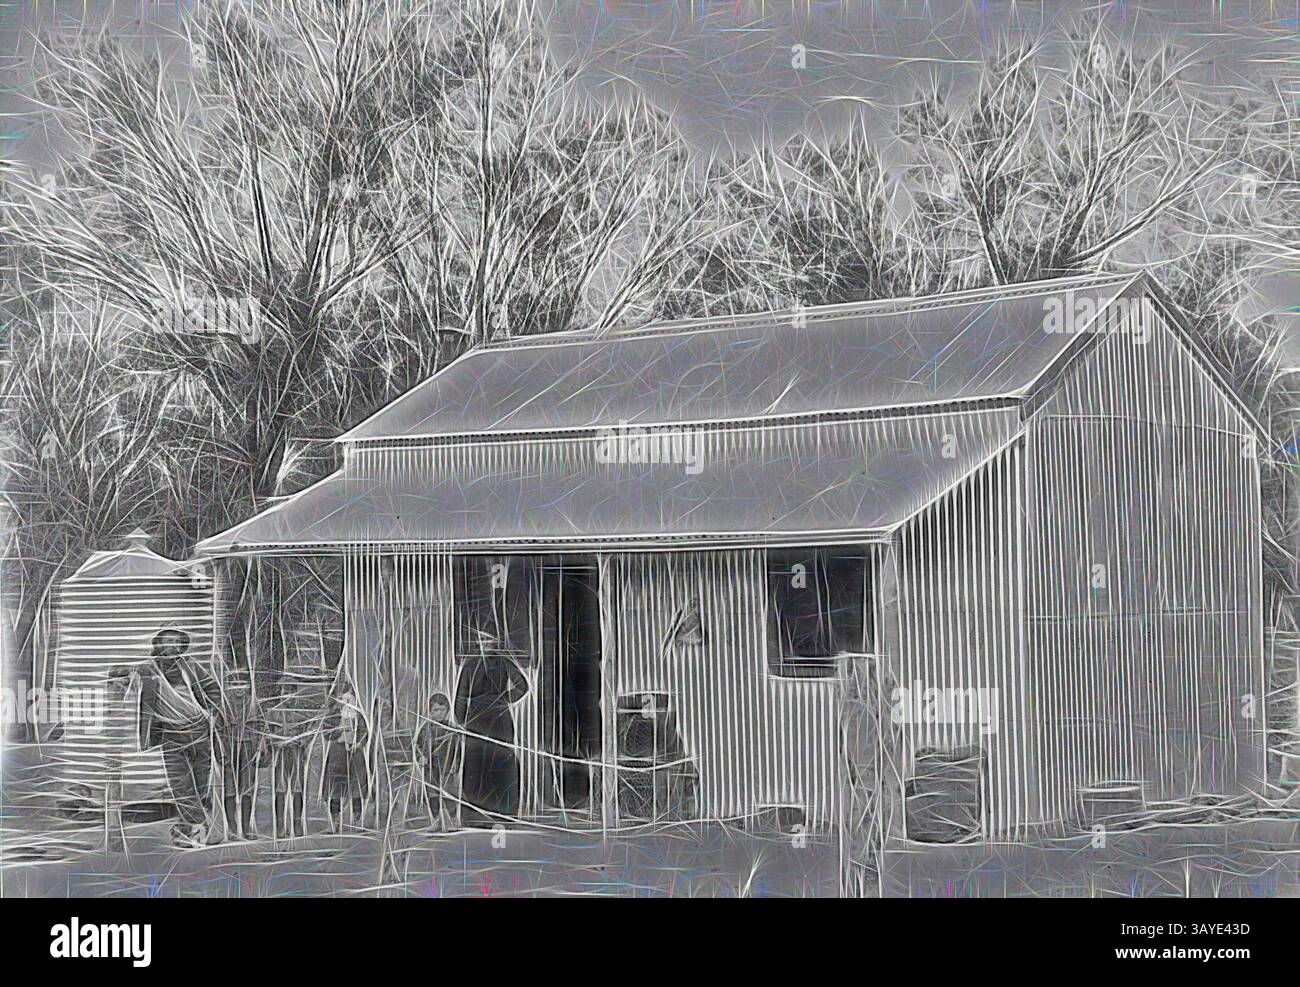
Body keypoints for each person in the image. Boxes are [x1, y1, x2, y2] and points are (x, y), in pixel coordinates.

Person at [130, 628, 223, 847]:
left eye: (175, 642)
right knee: (181, 786)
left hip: (199, 733)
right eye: (166, 642)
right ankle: (199, 825)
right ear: (158, 645)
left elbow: (212, 688)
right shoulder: (149, 670)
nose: (171, 645)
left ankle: (186, 830)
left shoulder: (190, 667)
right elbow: (125, 673)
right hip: (172, 735)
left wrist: (212, 711)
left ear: (181, 646)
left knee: (201, 785)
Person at [455, 629, 529, 827]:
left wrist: (504, 699)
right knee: (477, 764)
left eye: (490, 640)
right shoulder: (470, 665)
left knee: (501, 762)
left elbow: (523, 686)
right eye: (482, 639)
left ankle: (503, 814)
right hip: (476, 720)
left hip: (499, 721)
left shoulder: (504, 662)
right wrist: (460, 720)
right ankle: (476, 816)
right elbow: (461, 694)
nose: (485, 643)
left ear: (496, 642)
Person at [322, 687, 369, 832]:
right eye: (344, 699)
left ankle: (357, 820)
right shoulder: (334, 715)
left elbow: (365, 733)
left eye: (350, 699)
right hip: (338, 752)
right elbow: (327, 732)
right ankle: (334, 821)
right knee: (335, 786)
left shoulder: (359, 716)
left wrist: (358, 743)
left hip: (355, 753)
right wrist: (340, 731)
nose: (347, 703)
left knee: (357, 785)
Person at [413, 693, 460, 830]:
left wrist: (455, 764)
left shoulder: (451, 729)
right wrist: (420, 756)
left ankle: (453, 821)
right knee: (432, 794)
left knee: (449, 794)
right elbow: (417, 745)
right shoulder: (425, 729)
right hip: (430, 767)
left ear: (448, 711)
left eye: (443, 710)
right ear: (430, 711)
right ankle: (435, 821)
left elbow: (457, 749)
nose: (439, 714)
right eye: (435, 710)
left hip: (447, 767)